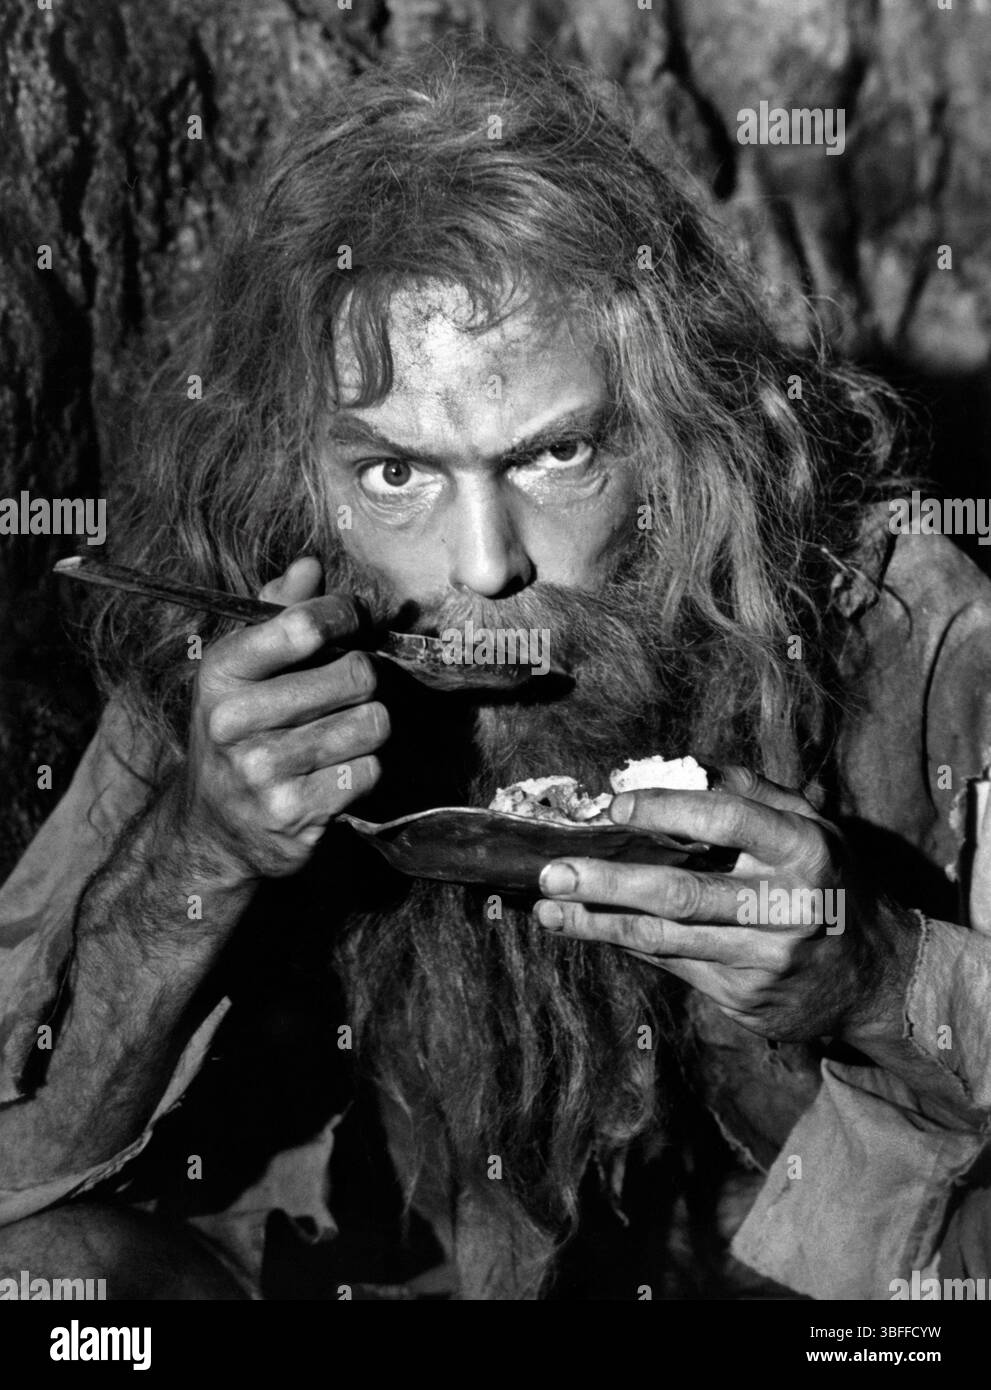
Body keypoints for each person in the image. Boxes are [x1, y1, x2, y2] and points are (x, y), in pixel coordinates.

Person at [1, 40, 989, 1302]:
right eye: (396, 475)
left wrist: (873, 972)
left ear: (680, 440)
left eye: (556, 457)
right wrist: (200, 850)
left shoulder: (897, 618)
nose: (483, 569)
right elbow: (17, 1167)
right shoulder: (255, 644)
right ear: (299, 474)